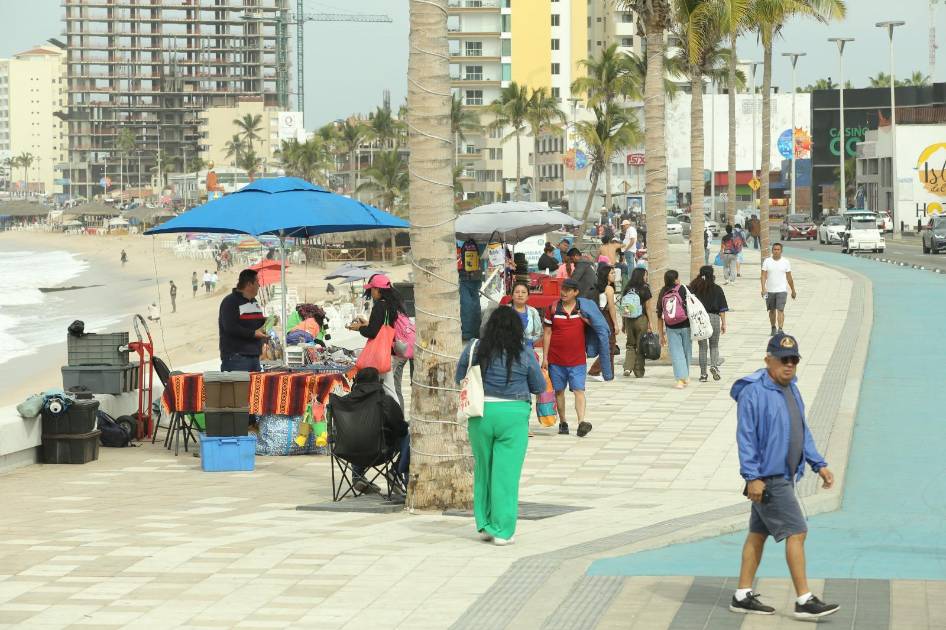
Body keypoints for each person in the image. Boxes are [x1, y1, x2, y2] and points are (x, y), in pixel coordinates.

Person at [729, 333, 839, 620]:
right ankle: (804, 599)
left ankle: (742, 595)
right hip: (769, 478)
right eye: (783, 360)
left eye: (794, 360)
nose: (789, 365)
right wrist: (752, 476)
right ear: (768, 360)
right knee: (797, 531)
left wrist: (819, 464)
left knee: (757, 534)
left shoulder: (791, 388)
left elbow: (800, 430)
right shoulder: (754, 392)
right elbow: (746, 438)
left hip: (783, 476)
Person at [456, 307, 545, 546]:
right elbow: (539, 386)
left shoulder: (475, 348)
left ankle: (485, 523)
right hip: (513, 415)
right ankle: (503, 530)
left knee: (484, 470)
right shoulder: (524, 353)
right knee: (505, 475)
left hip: (480, 413)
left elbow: (459, 377)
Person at [541, 278, 612, 437]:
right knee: (559, 391)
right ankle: (563, 422)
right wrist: (545, 357)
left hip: (578, 359)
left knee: (579, 390)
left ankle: (581, 422)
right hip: (556, 359)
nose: (564, 292)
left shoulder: (583, 310)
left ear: (576, 292)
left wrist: (587, 321)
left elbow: (600, 328)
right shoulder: (552, 308)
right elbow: (547, 333)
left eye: (568, 290)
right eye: (563, 289)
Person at [347, 274, 409, 408]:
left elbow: (372, 332)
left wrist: (359, 328)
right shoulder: (391, 306)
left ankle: (396, 420)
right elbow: (381, 327)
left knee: (389, 389)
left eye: (373, 289)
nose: (371, 292)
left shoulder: (379, 307)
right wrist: (366, 324)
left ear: (378, 290)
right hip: (390, 351)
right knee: (389, 388)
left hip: (381, 355)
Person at [347, 367, 410, 495]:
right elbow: (401, 429)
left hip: (348, 452)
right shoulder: (386, 401)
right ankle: (396, 471)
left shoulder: (345, 402)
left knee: (358, 435)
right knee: (408, 436)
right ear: (378, 382)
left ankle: (357, 474)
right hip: (380, 452)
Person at [218, 269, 267, 371]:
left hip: (254, 357)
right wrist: (253, 334)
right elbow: (230, 327)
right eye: (257, 282)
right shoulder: (230, 302)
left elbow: (256, 324)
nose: (259, 285)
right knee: (239, 387)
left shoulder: (254, 301)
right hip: (236, 358)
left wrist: (267, 323)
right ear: (249, 284)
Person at [689, 265, 728, 382]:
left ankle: (703, 375)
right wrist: (724, 323)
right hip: (714, 317)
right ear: (712, 274)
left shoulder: (694, 288)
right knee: (714, 345)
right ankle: (714, 366)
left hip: (700, 319)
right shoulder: (717, 289)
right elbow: (722, 309)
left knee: (702, 347)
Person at [656, 270, 691, 389]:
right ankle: (684, 377)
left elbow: (659, 315)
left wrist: (661, 335)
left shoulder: (663, 292)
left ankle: (681, 379)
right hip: (686, 325)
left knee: (676, 353)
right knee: (687, 351)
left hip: (671, 327)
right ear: (676, 280)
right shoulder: (684, 289)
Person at [619, 267, 652, 378]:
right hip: (641, 319)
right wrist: (650, 322)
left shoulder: (627, 288)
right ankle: (639, 371)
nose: (646, 277)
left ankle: (628, 367)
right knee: (640, 346)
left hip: (628, 319)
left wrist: (624, 323)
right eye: (646, 275)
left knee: (630, 345)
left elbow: (624, 308)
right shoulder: (645, 288)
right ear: (642, 276)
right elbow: (648, 307)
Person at [588, 264, 618, 381]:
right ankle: (602, 371)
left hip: (599, 317)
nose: (614, 275)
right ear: (606, 275)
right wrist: (615, 324)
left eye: (614, 273)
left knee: (607, 345)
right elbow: (611, 307)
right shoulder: (609, 289)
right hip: (607, 317)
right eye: (611, 273)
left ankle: (602, 371)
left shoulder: (598, 287)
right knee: (610, 345)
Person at [761, 243, 796, 336]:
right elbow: (763, 275)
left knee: (780, 310)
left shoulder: (786, 262)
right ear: (772, 251)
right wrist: (763, 288)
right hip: (770, 290)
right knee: (772, 311)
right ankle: (773, 327)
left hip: (782, 290)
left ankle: (780, 329)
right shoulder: (767, 261)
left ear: (781, 251)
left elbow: (789, 277)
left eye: (778, 249)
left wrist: (793, 290)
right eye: (774, 249)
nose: (776, 251)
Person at [457, 238, 485, 342]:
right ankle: (469, 333)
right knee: (469, 306)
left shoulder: (478, 237)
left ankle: (471, 333)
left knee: (471, 307)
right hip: (468, 278)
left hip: (471, 278)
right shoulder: (479, 236)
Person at [508, 281, 543, 345]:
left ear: (528, 297)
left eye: (523, 292)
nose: (520, 295)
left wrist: (529, 344)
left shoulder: (533, 312)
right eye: (517, 292)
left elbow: (539, 334)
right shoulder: (504, 311)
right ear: (512, 296)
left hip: (527, 352)